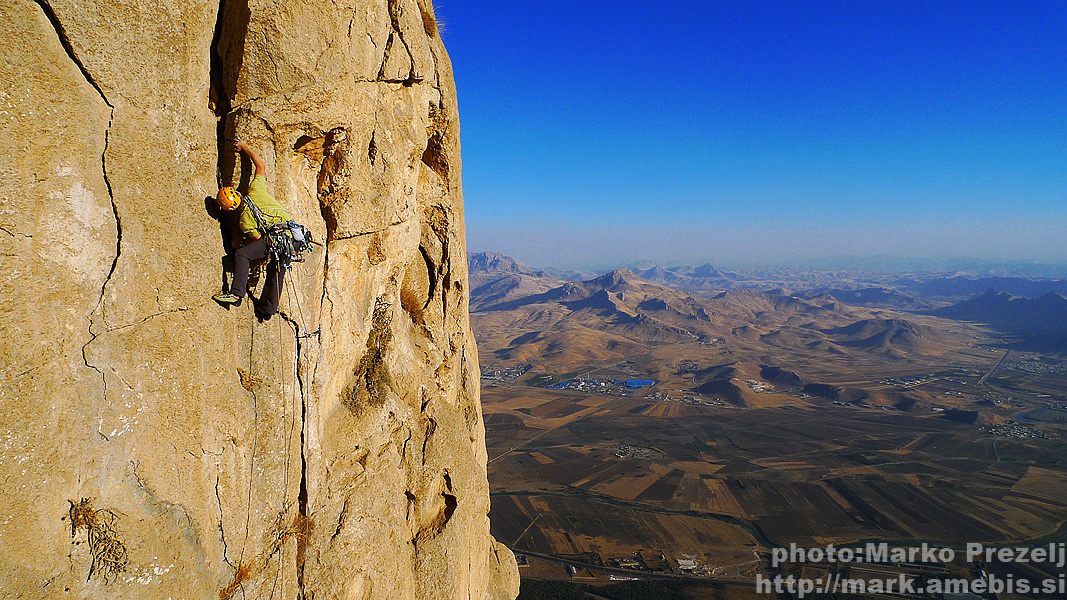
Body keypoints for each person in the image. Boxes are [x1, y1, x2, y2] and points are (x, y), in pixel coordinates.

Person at [212, 140, 291, 317]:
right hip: (292, 236)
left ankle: (236, 294)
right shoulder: (255, 190)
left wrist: (239, 243)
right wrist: (244, 147)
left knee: (242, 254)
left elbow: (257, 241)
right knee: (277, 270)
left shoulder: (245, 220)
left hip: (277, 240)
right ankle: (269, 308)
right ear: (239, 193)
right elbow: (260, 165)